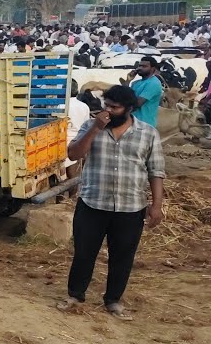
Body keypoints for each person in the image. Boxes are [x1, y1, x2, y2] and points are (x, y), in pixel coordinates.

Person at [62, 85, 165, 320]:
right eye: (106, 105)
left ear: (128, 109)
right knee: (84, 253)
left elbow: (156, 171)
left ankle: (113, 300)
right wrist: (95, 129)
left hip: (131, 207)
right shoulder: (91, 126)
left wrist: (156, 206)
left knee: (122, 256)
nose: (107, 111)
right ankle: (75, 296)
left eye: (114, 107)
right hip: (92, 203)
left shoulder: (148, 133)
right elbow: (74, 155)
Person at [128, 56, 164, 128]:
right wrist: (128, 80)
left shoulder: (154, 83)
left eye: (144, 66)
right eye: (139, 66)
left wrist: (125, 101)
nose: (140, 68)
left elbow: (137, 103)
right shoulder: (135, 83)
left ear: (153, 69)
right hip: (132, 123)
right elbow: (124, 97)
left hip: (144, 125)